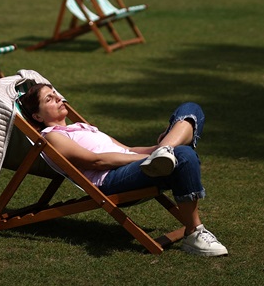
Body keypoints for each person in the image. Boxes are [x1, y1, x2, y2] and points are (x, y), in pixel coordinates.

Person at [17, 83, 228, 256]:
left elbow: (127, 149)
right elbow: (96, 161)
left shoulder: (80, 127)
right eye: (49, 99)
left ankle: (166, 150)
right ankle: (195, 231)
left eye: (56, 94)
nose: (58, 98)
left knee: (191, 109)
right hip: (111, 179)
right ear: (37, 116)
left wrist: (156, 150)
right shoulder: (52, 136)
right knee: (183, 154)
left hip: (135, 165)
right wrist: (149, 158)